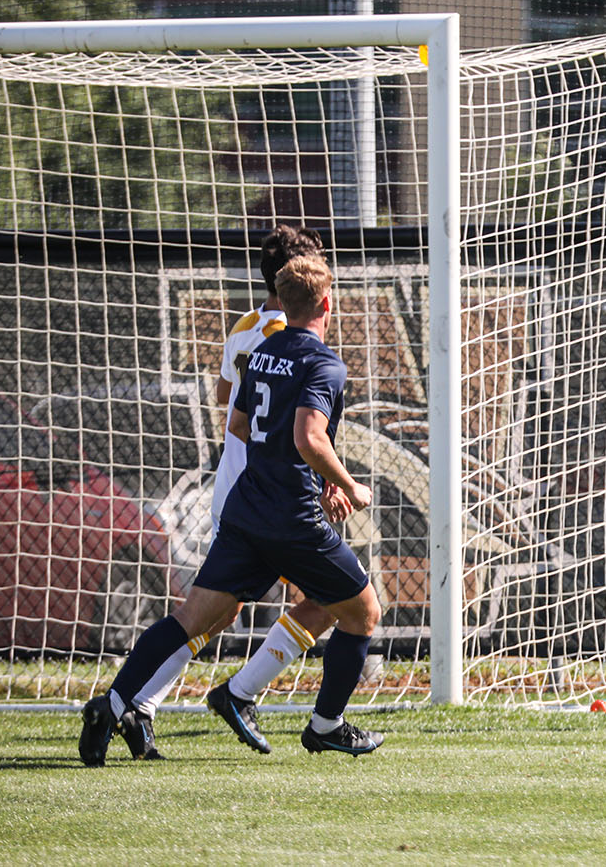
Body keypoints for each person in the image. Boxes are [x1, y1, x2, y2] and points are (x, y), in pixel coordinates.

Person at [80, 253, 385, 765]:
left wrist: (282, 465)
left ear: (283, 303)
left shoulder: (261, 352)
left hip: (246, 510)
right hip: (293, 519)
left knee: (191, 617)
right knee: (363, 612)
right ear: (327, 304)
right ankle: (326, 724)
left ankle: (111, 704)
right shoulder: (325, 363)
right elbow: (309, 437)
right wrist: (348, 485)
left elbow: (239, 424)